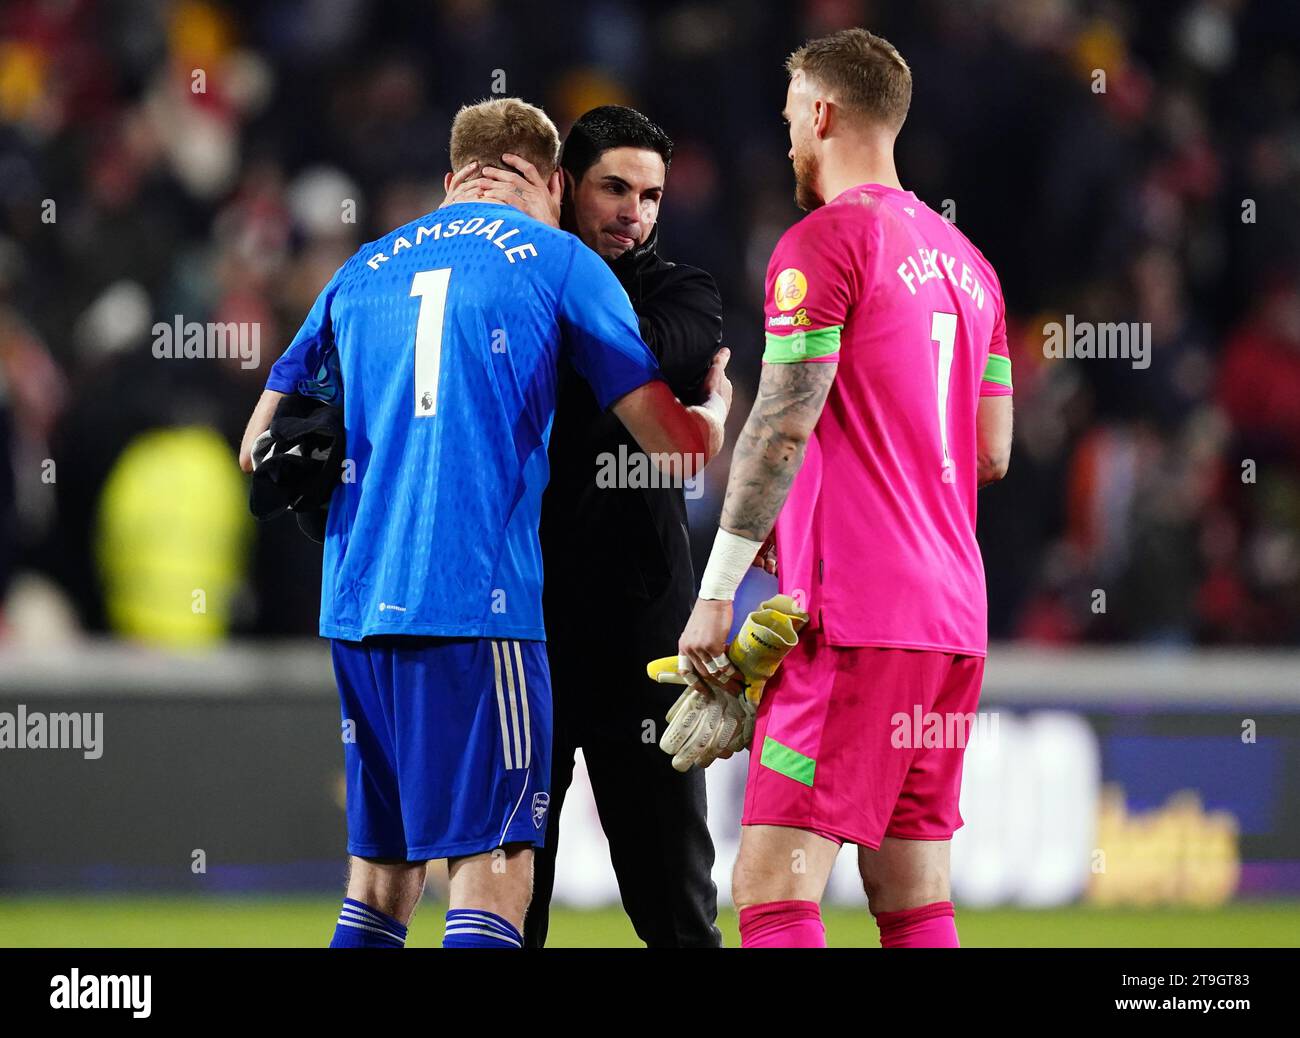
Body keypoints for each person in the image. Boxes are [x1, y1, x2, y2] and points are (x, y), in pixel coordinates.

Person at [238, 97, 732, 949]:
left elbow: (258, 449)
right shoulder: (556, 259)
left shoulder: (361, 267)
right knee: (497, 874)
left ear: (450, 180)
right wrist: (716, 414)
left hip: (358, 610)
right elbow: (679, 451)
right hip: (482, 611)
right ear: (551, 181)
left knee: (381, 883)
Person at [677, 28, 1014, 949]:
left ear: (821, 113)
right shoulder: (972, 266)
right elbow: (992, 451)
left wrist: (716, 597)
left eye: (792, 118)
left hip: (858, 617)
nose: (789, 139)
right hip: (952, 623)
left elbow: (783, 421)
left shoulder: (822, 243)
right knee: (911, 895)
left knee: (772, 889)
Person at [445, 105, 725, 947]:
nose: (634, 214)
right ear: (564, 187)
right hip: (521, 636)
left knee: (675, 907)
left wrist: (544, 275)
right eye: (613, 188)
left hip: (642, 641)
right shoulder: (509, 286)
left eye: (651, 195)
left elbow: (654, 343)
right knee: (507, 903)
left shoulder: (685, 292)